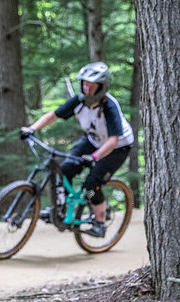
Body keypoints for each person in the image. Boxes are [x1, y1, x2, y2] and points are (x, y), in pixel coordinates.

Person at [19, 62, 133, 237]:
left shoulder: (109, 106)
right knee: (64, 169)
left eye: (92, 84)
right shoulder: (79, 101)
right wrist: (31, 129)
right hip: (92, 140)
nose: (87, 88)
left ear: (101, 87)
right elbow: (53, 115)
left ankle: (100, 223)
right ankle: (61, 209)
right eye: (84, 83)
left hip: (117, 147)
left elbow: (113, 140)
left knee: (91, 186)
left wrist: (94, 156)